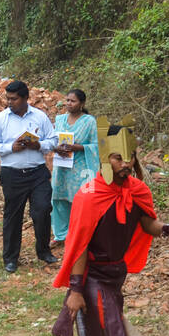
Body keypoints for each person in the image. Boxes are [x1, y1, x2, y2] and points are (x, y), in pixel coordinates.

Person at [50, 118, 169, 336]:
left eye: (129, 156)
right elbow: (79, 246)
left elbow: (146, 223)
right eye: (117, 157)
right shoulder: (89, 196)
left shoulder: (137, 190)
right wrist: (75, 290)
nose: (125, 163)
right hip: (91, 276)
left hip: (116, 274)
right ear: (104, 159)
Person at [0, 80, 58, 272]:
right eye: (8, 98)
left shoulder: (40, 117)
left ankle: (43, 251)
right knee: (13, 216)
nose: (10, 102)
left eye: (14, 98)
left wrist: (39, 145)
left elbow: (53, 139)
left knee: (42, 210)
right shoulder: (1, 119)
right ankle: (11, 258)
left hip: (37, 173)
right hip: (12, 175)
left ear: (26, 98)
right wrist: (11, 147)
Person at [50, 89, 99, 244]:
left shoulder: (89, 121)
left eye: (73, 101)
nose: (69, 104)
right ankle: (60, 235)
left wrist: (78, 147)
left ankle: (81, 235)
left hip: (81, 167)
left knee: (81, 201)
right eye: (67, 100)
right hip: (61, 166)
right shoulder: (59, 120)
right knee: (58, 200)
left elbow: (96, 146)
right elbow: (52, 140)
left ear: (82, 103)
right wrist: (55, 147)